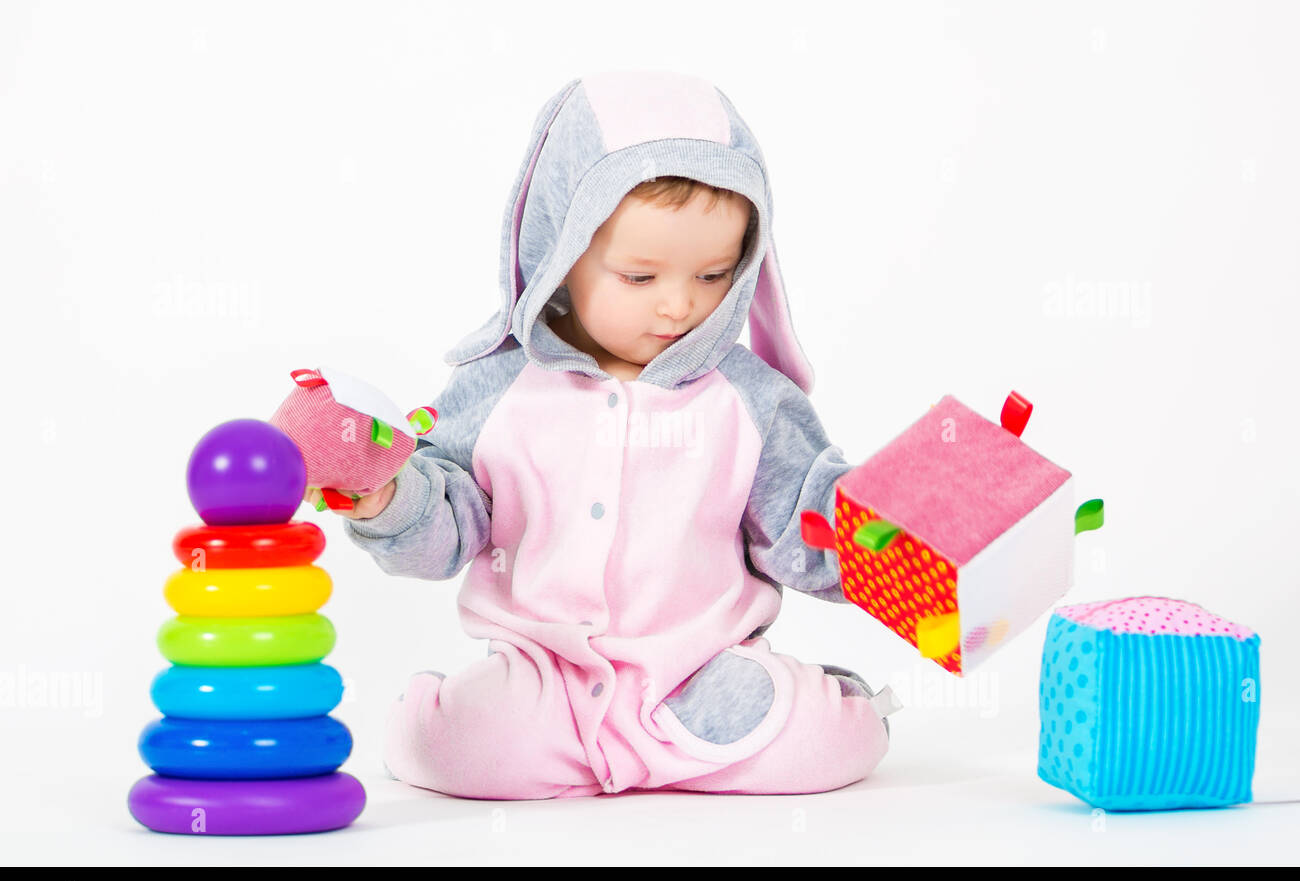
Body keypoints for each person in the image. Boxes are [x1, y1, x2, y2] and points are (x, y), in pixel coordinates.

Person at [328, 70, 895, 799]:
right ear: (561, 258)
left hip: (701, 672)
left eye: (716, 273)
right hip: (543, 679)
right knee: (452, 748)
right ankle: (552, 740)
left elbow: (807, 522)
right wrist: (392, 499)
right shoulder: (502, 386)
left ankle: (786, 714)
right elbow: (450, 524)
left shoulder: (748, 400)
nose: (680, 304)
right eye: (638, 276)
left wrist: (894, 529)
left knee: (818, 747)